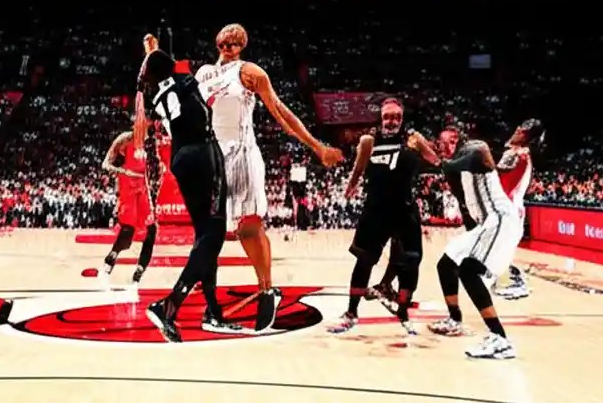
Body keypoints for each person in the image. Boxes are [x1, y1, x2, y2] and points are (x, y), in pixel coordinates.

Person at [194, 23, 343, 331]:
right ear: (217, 40)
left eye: (236, 41)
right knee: (211, 235)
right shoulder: (204, 74)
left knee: (248, 227)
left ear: (243, 47)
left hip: (242, 153)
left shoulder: (251, 72)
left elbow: (282, 112)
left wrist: (317, 147)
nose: (230, 44)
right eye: (226, 39)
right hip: (213, 156)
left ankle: (266, 290)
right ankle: (210, 303)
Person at [137, 35, 245, 341]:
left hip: (180, 158)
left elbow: (157, 68)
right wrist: (155, 49)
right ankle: (169, 306)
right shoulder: (183, 76)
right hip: (203, 154)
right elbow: (169, 62)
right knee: (213, 235)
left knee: (203, 237)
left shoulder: (156, 94)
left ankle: (213, 312)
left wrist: (149, 54)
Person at [428, 119, 545, 359]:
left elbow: (494, 181)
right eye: (441, 143)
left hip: (502, 217)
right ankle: (455, 319)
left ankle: (500, 337)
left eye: (449, 142)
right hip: (490, 218)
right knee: (447, 263)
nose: (444, 146)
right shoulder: (505, 153)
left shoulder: (497, 152)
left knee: (470, 271)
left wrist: (434, 157)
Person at [327, 98, 438, 336]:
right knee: (364, 261)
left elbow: (436, 160)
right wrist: (351, 186)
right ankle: (351, 313)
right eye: (388, 116)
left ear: (402, 118)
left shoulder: (413, 139)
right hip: (375, 209)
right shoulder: (369, 141)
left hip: (405, 210)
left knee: (411, 262)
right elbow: (358, 168)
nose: (392, 121)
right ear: (381, 118)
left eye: (397, 116)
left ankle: (404, 313)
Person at [100, 120, 163, 284]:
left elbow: (147, 170)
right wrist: (125, 172)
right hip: (128, 190)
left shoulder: (145, 143)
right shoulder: (124, 139)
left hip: (142, 190)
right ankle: (109, 262)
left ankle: (139, 271)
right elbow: (105, 164)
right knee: (127, 233)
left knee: (152, 230)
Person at [493, 122, 539, 300]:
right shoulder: (517, 154)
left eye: (520, 131)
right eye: (517, 128)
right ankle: (508, 280)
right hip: (509, 207)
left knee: (500, 249)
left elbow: (502, 180)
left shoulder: (518, 154)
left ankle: (515, 283)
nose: (515, 131)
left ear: (526, 137)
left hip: (509, 209)